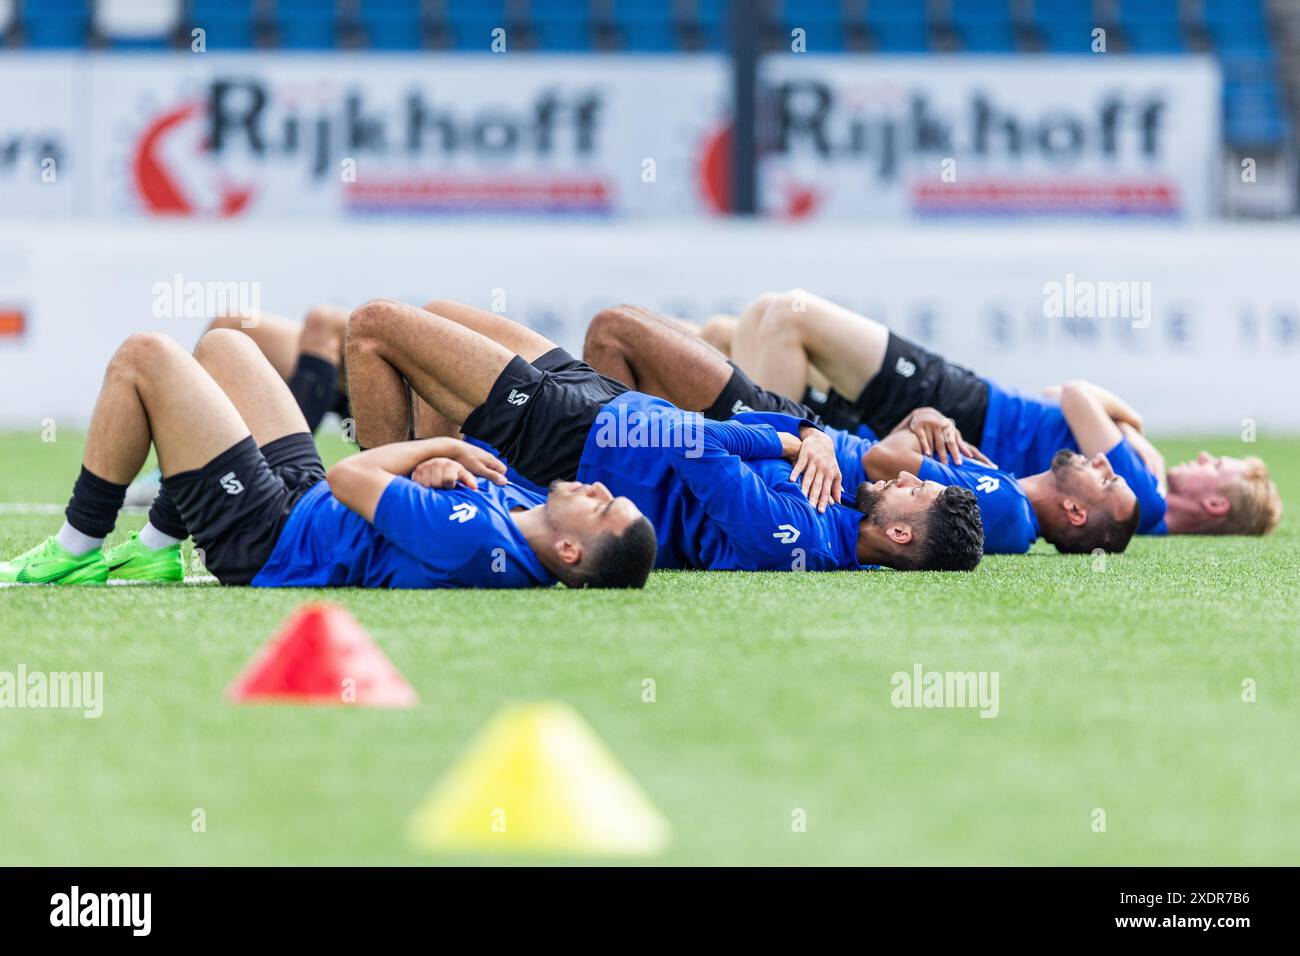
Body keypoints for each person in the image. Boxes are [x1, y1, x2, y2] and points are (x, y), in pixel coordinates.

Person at [343, 298, 985, 572]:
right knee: (437, 318)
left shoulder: (799, 540)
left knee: (375, 327)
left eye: (915, 492)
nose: (906, 475)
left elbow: (698, 444)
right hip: (615, 406)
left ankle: (372, 511)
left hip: (579, 441)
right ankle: (417, 489)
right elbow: (740, 424)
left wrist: (795, 443)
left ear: (900, 534)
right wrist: (807, 432)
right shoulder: (844, 502)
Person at [0, 328, 655, 590]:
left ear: (570, 552)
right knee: (225, 346)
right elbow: (385, 487)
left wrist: (441, 447)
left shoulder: (479, 541)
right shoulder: (521, 510)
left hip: (268, 536)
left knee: (144, 357)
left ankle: (76, 548)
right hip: (305, 498)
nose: (598, 487)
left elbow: (352, 475)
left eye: (602, 507)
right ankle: (156, 545)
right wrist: (431, 469)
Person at [712, 290, 1281, 536]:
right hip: (958, 424)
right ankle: (737, 447)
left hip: (969, 409)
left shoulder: (1143, 489)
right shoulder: (1136, 506)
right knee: (733, 331)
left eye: (1220, 465)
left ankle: (758, 456)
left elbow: (1073, 392)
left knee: (783, 315)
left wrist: (1134, 425)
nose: (1206, 454)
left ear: (1214, 502)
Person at [583, 304, 1138, 555]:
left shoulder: (1010, 512)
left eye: (1109, 483)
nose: (1105, 464)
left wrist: (916, 425)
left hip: (805, 444)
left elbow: (883, 462)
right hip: (809, 440)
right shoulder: (1008, 499)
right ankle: (614, 447)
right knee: (722, 331)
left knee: (618, 334)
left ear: (1076, 514)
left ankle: (610, 460)